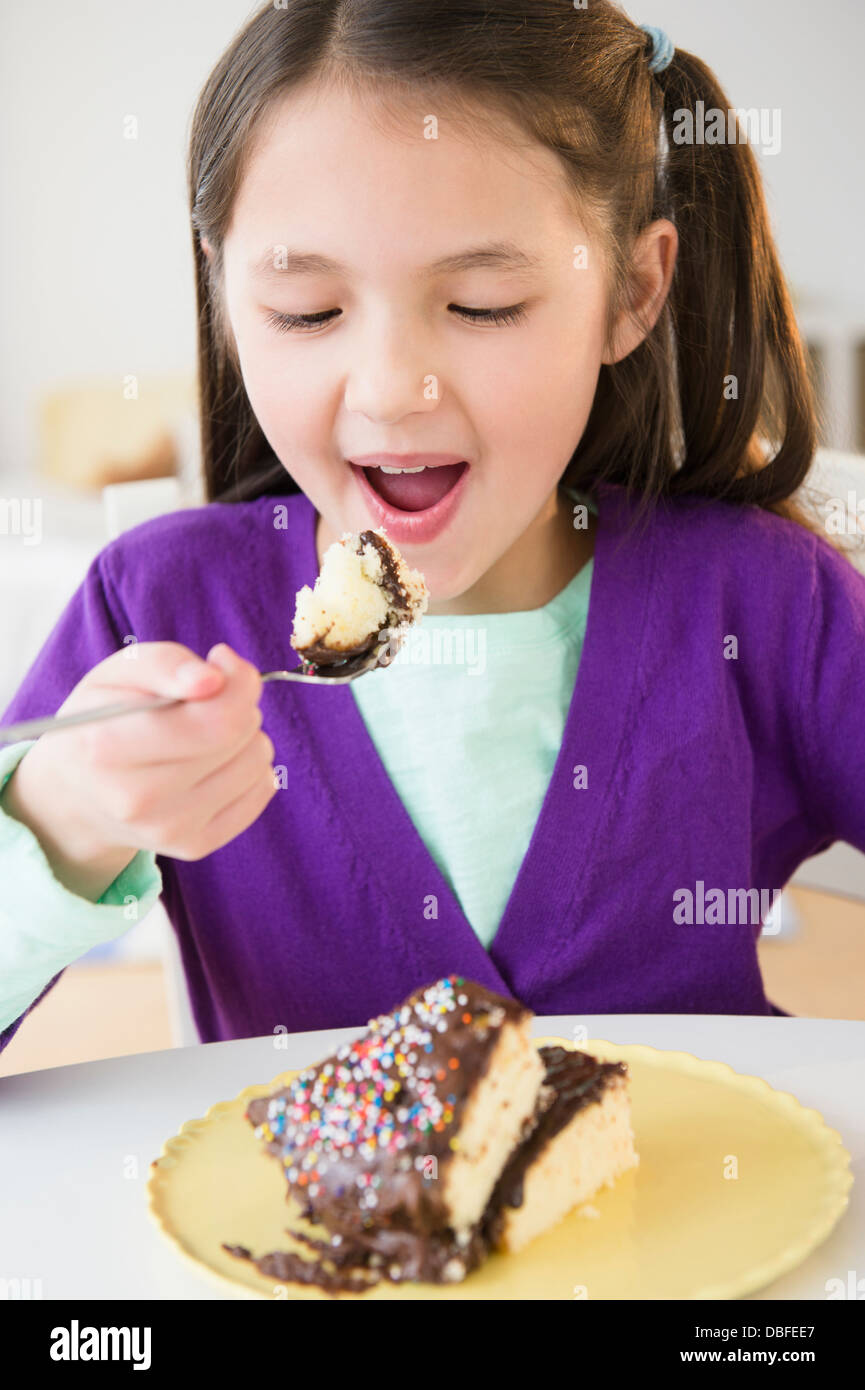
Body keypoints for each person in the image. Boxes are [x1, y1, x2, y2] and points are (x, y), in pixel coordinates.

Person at [2, 1, 863, 1054]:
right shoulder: (158, 608)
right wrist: (64, 820)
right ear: (228, 301)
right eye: (307, 312)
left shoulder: (761, 602)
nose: (390, 393)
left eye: (484, 303)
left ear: (633, 293)